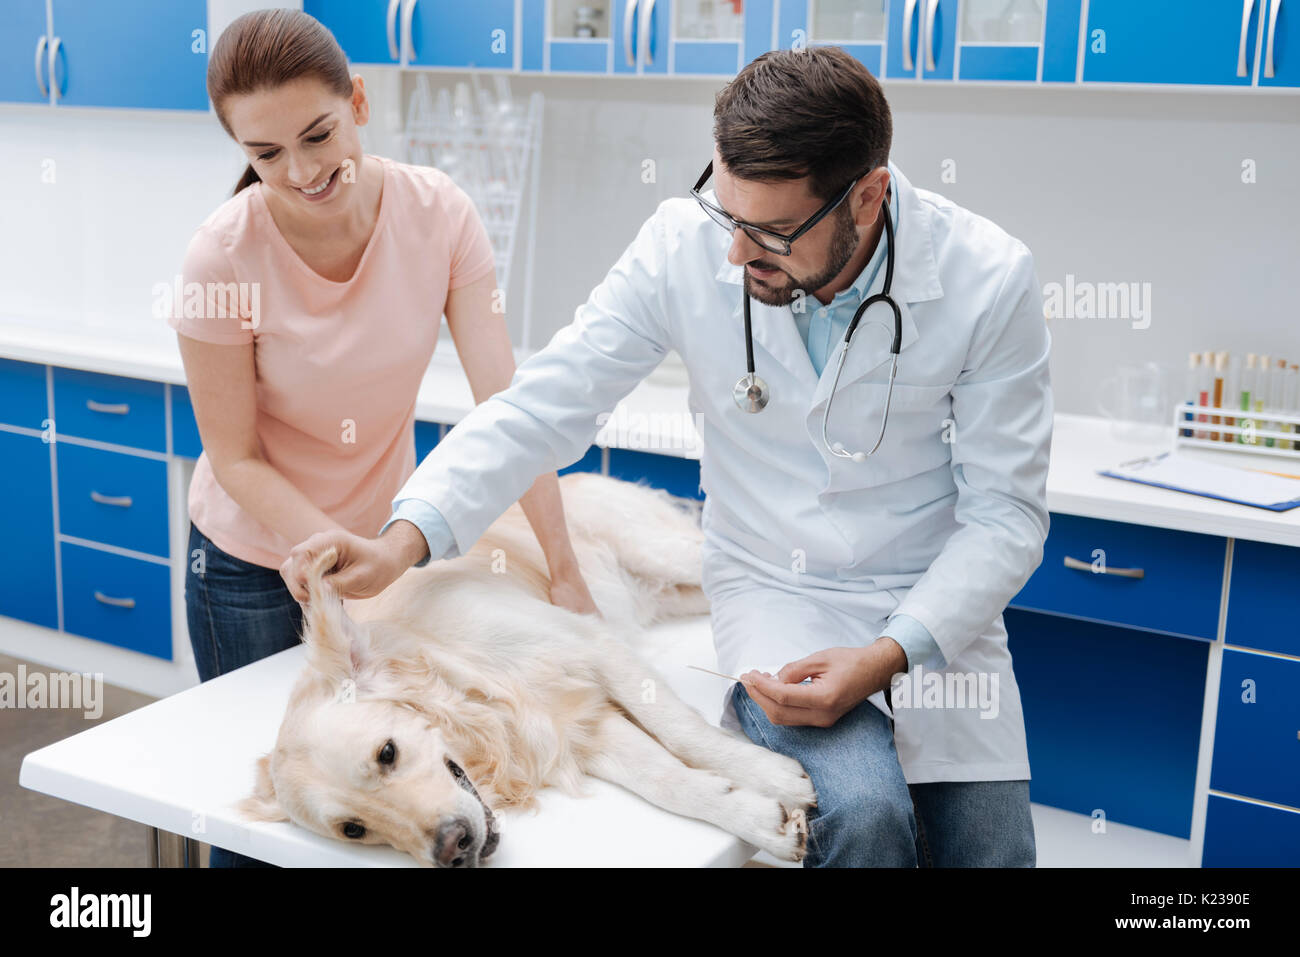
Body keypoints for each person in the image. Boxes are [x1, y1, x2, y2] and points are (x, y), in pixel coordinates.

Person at [282, 47, 1053, 867]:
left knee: (993, 855)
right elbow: (542, 405)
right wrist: (403, 541)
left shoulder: (988, 278)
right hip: (778, 592)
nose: (733, 253)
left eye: (771, 233)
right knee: (864, 821)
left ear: (868, 195)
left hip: (935, 610)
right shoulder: (682, 245)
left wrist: (891, 650)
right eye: (727, 213)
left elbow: (1005, 515)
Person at [169, 9, 599, 868]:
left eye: (317, 134)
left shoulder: (437, 214)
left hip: (382, 563)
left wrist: (566, 568)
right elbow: (236, 457)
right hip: (251, 570)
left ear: (358, 102)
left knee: (390, 801)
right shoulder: (220, 259)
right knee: (279, 817)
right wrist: (340, 551)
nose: (299, 172)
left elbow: (507, 413)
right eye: (265, 155)